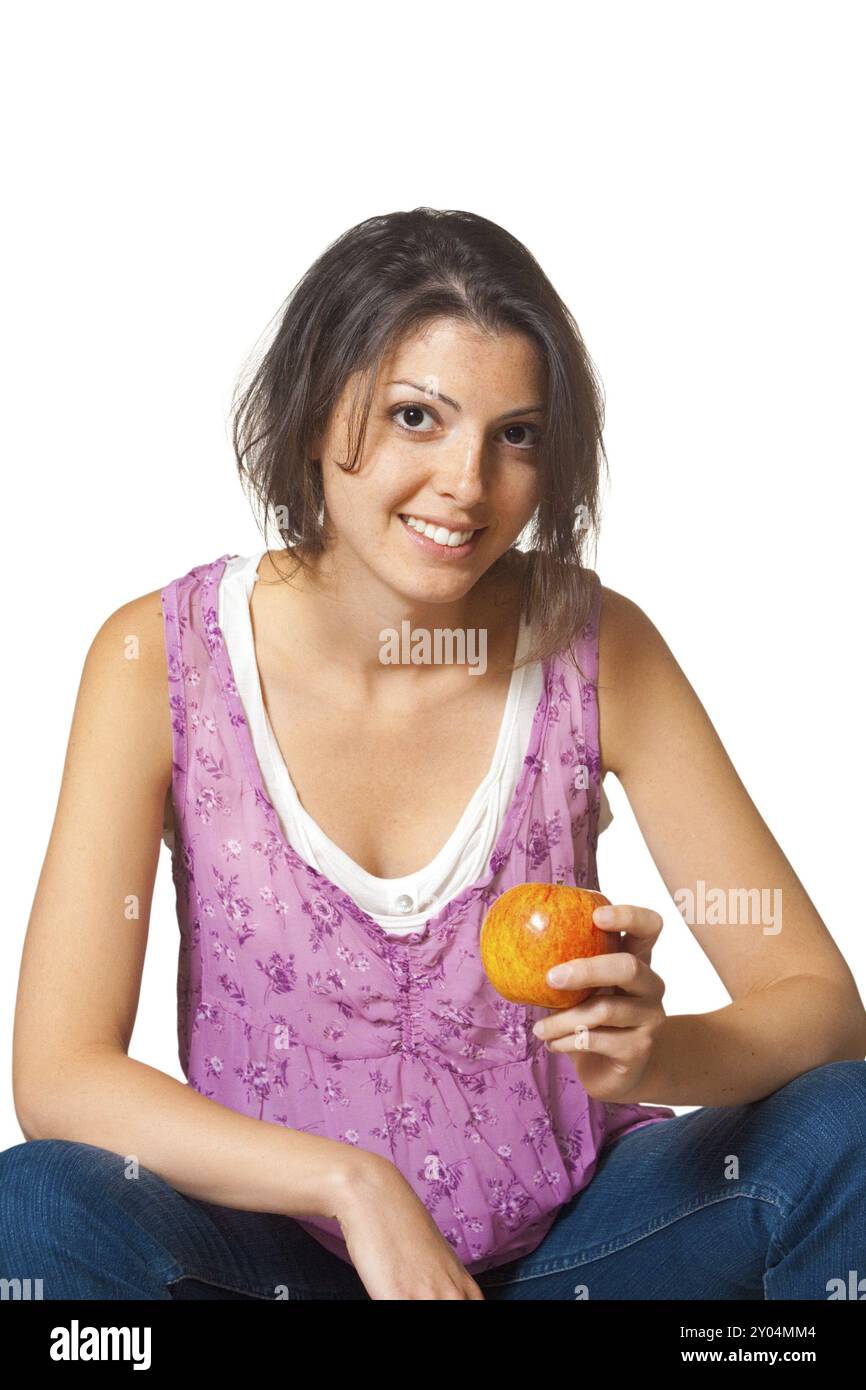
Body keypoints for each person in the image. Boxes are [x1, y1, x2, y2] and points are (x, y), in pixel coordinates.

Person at [4, 208, 865, 1301]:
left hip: (581, 1255)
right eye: (418, 417)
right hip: (276, 1266)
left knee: (848, 1128)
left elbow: (822, 1008)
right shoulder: (157, 658)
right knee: (36, 1206)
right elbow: (59, 1074)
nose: (467, 483)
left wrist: (659, 1053)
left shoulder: (597, 644)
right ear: (314, 411)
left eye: (514, 435)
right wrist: (353, 1186)